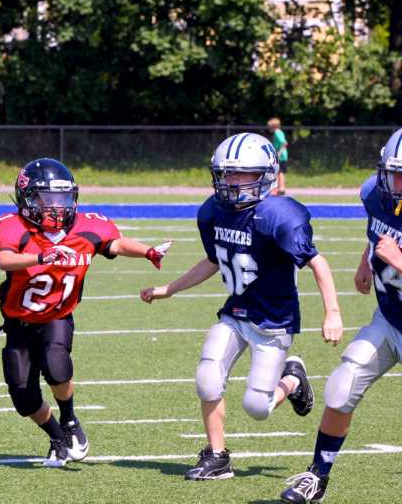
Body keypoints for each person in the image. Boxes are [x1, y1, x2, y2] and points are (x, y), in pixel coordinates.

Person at [140, 133, 342, 480]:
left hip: (273, 321)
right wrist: (169, 289)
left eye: (243, 175)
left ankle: (293, 380)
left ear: (264, 175)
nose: (232, 183)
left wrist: (332, 312)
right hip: (236, 312)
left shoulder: (279, 216)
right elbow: (214, 260)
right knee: (207, 377)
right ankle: (216, 457)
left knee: (257, 407)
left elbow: (317, 262)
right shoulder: (212, 211)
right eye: (226, 174)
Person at [0, 158, 172, 467]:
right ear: (28, 198)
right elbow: (4, 259)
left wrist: (147, 252)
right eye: (48, 199)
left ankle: (69, 421)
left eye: (63, 198)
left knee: (57, 366)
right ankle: (56, 437)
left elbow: (116, 243)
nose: (58, 206)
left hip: (58, 315)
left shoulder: (87, 225)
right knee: (22, 395)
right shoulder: (10, 227)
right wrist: (41, 256)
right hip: (19, 321)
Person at [280, 128, 402, 504]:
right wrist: (366, 261)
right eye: (393, 172)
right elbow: (378, 234)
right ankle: (317, 475)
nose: (395, 183)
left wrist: (398, 261)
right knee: (341, 386)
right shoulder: (375, 194)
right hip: (390, 318)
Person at [267, 118, 289, 196]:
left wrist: (279, 154)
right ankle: (280, 188)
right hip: (282, 156)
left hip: (281, 156)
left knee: (279, 172)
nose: (269, 128)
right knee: (280, 172)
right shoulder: (279, 132)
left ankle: (281, 188)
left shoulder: (277, 133)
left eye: (269, 126)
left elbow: (284, 143)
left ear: (274, 126)